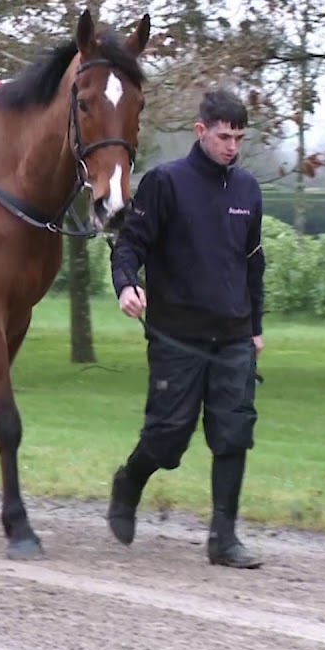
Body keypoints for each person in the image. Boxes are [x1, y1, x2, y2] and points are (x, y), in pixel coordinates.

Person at [106, 88, 265, 569]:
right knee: (167, 437)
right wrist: (126, 285)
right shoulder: (165, 183)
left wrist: (255, 327)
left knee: (233, 432)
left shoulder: (248, 191)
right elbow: (128, 245)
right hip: (177, 335)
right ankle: (130, 481)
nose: (231, 146)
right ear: (201, 131)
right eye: (223, 136)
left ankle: (224, 539)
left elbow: (253, 264)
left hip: (234, 335)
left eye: (238, 138)